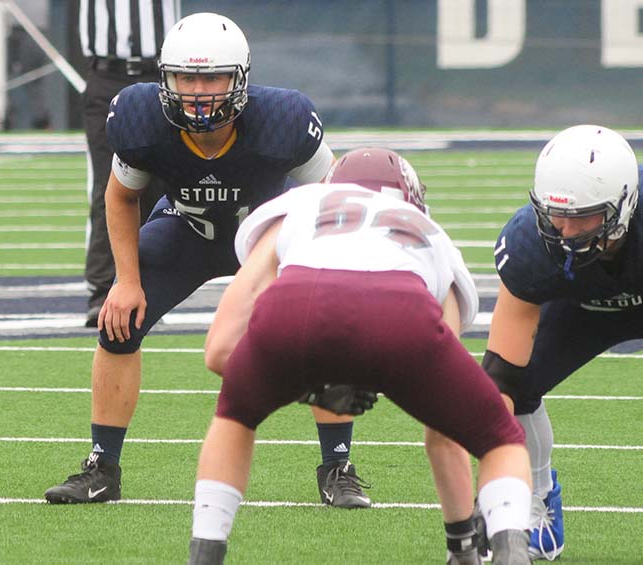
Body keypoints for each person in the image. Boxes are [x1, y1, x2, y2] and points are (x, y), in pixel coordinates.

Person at [45, 12, 370, 508]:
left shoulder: (283, 119)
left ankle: (338, 467)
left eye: (212, 78)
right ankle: (102, 467)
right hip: (186, 228)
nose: (197, 92)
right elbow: (120, 196)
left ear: (240, 78)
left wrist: (323, 269)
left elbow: (332, 193)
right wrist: (126, 281)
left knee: (324, 325)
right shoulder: (140, 116)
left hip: (268, 239)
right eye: (185, 78)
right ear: (165, 79)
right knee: (118, 322)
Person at [187, 148, 533, 565]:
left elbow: (220, 349)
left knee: (235, 415)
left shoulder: (303, 204)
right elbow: (444, 431)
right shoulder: (431, 233)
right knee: (502, 440)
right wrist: (461, 541)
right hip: (402, 309)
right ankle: (502, 552)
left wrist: (310, 391)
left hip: (298, 302)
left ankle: (205, 551)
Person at [477, 124, 642, 560]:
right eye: (555, 214)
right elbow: (500, 376)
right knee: (516, 383)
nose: (565, 232)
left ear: (624, 204)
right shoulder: (531, 244)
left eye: (582, 216)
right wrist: (497, 485)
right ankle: (537, 509)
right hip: (582, 306)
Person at [80, 0, 180, 327]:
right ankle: (102, 290)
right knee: (107, 185)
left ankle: (150, 286)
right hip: (106, 74)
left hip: (161, 74)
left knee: (160, 185)